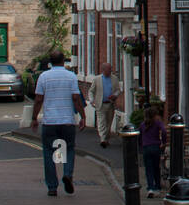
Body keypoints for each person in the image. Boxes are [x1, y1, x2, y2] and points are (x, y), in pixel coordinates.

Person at [31, 50, 85, 196]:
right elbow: (75, 98)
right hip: (67, 121)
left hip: (50, 122)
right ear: (63, 61)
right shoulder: (71, 76)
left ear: (50, 62)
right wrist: (83, 116)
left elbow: (38, 99)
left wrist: (34, 118)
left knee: (49, 153)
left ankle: (52, 187)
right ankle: (67, 174)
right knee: (68, 149)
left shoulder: (44, 76)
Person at [90, 61, 122, 148]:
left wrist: (115, 95)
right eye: (109, 69)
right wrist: (92, 100)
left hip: (110, 104)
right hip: (100, 104)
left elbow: (118, 90)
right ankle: (103, 139)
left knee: (108, 123)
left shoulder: (114, 78)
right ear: (103, 70)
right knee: (101, 122)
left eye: (111, 69)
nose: (110, 70)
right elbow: (91, 91)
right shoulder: (97, 79)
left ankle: (106, 138)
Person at [139, 104, 165, 197]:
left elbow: (139, 136)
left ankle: (150, 188)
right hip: (155, 147)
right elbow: (164, 131)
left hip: (146, 148)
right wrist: (163, 141)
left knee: (148, 169)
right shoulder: (158, 123)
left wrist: (141, 146)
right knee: (156, 168)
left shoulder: (142, 124)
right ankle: (157, 187)